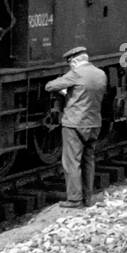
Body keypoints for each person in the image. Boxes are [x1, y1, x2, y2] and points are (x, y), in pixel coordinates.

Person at [45, 46, 107, 208]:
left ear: (74, 61)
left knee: (72, 162)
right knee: (88, 161)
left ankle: (74, 199)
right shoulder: (101, 74)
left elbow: (50, 86)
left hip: (75, 124)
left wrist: (66, 92)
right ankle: (87, 198)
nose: (70, 66)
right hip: (94, 124)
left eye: (70, 64)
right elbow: (87, 92)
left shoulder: (75, 73)